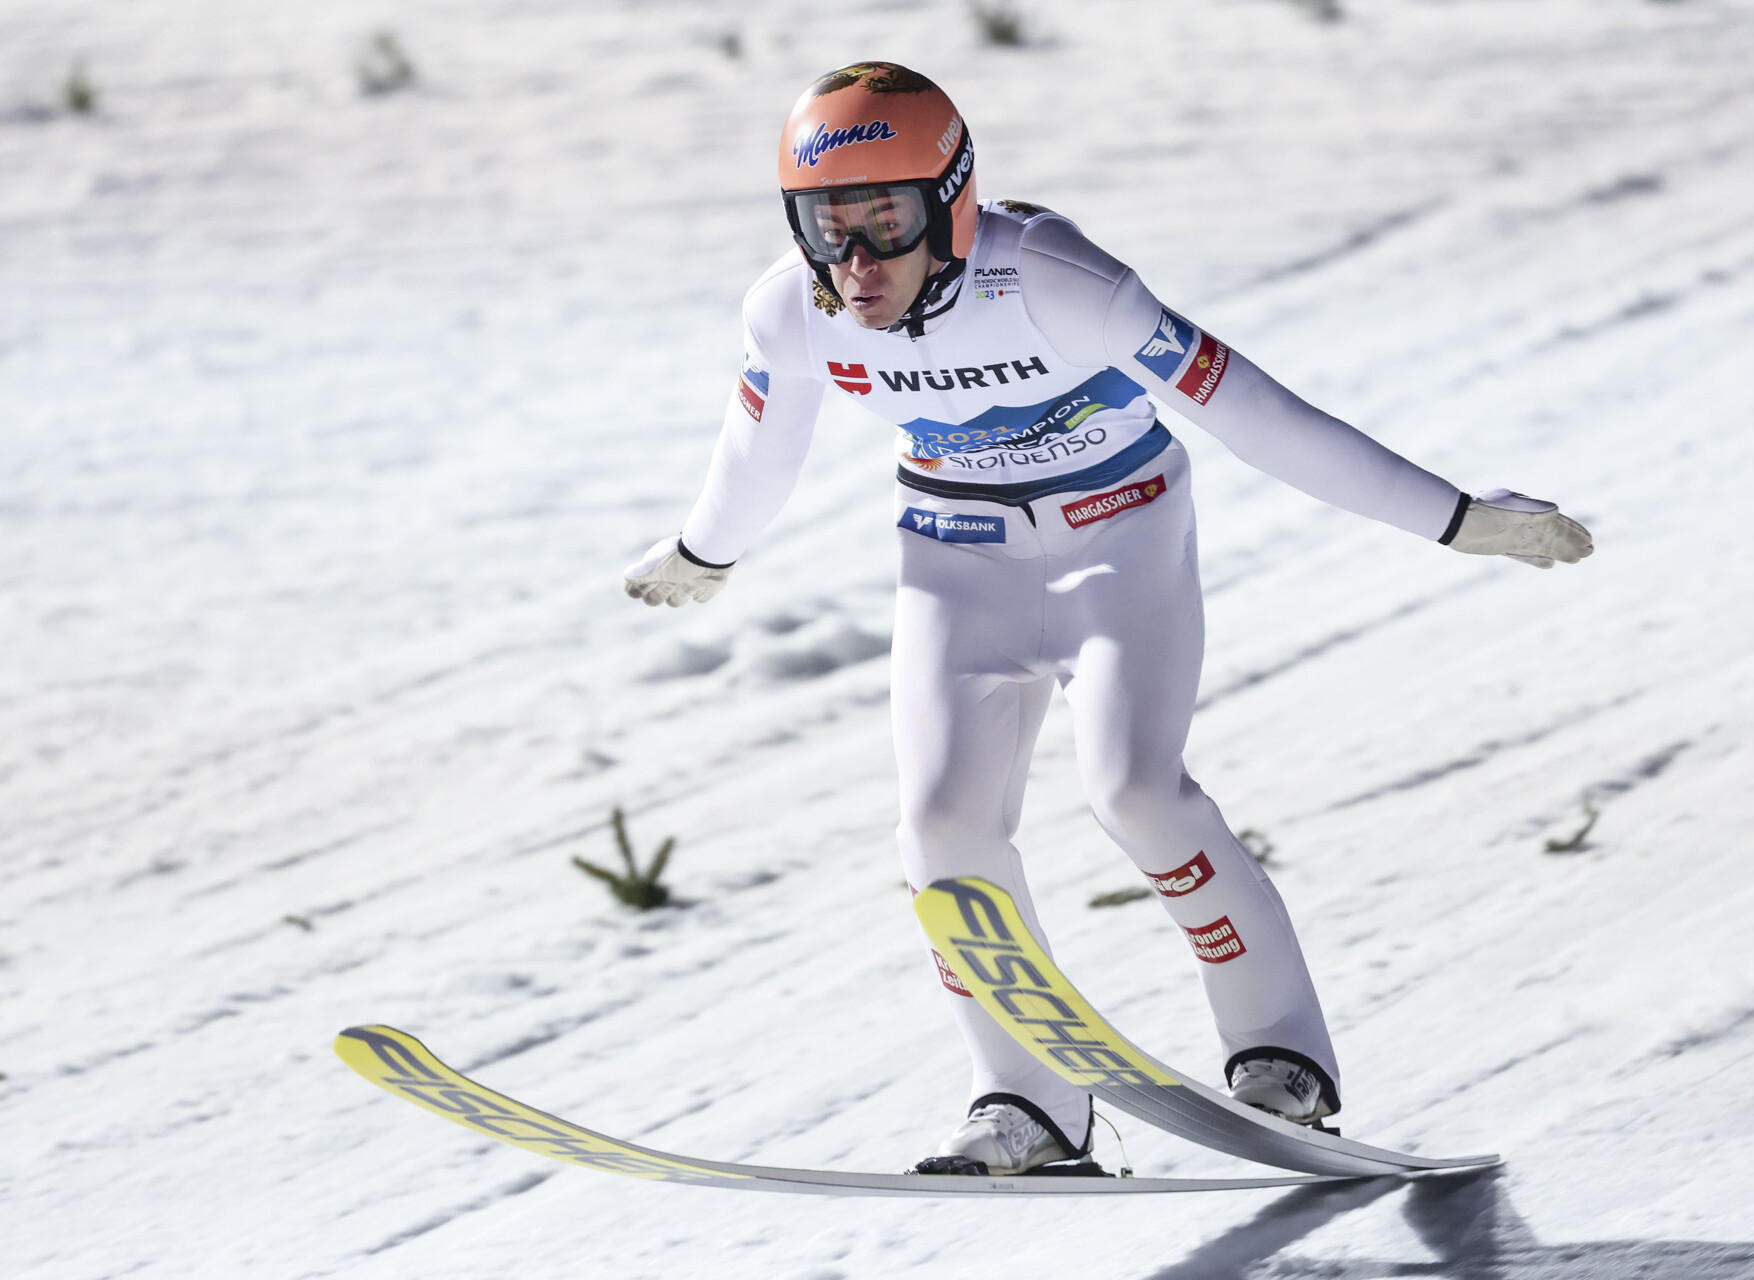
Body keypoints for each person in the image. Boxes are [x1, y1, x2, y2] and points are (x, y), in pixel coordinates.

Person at [623, 62, 1592, 1176]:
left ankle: (1279, 1051)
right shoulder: (796, 307)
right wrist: (708, 548)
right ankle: (1027, 1102)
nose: (854, 260)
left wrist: (1453, 516)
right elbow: (761, 444)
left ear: (955, 198)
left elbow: (1256, 411)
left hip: (1119, 539)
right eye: (823, 225)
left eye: (883, 221)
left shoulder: (1058, 278)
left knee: (1135, 789)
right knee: (939, 829)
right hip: (954, 557)